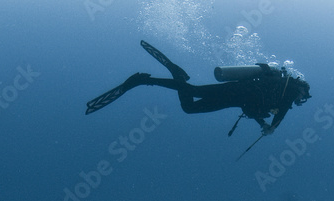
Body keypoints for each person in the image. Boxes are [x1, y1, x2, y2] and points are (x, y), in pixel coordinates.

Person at [86, 40, 311, 144]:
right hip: (235, 91)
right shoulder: (289, 88)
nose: (300, 99)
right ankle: (144, 81)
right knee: (192, 91)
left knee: (189, 107)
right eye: (303, 96)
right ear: (301, 88)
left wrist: (262, 124)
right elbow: (282, 109)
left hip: (234, 100)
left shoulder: (280, 93)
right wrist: (273, 127)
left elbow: (252, 108)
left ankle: (176, 73)